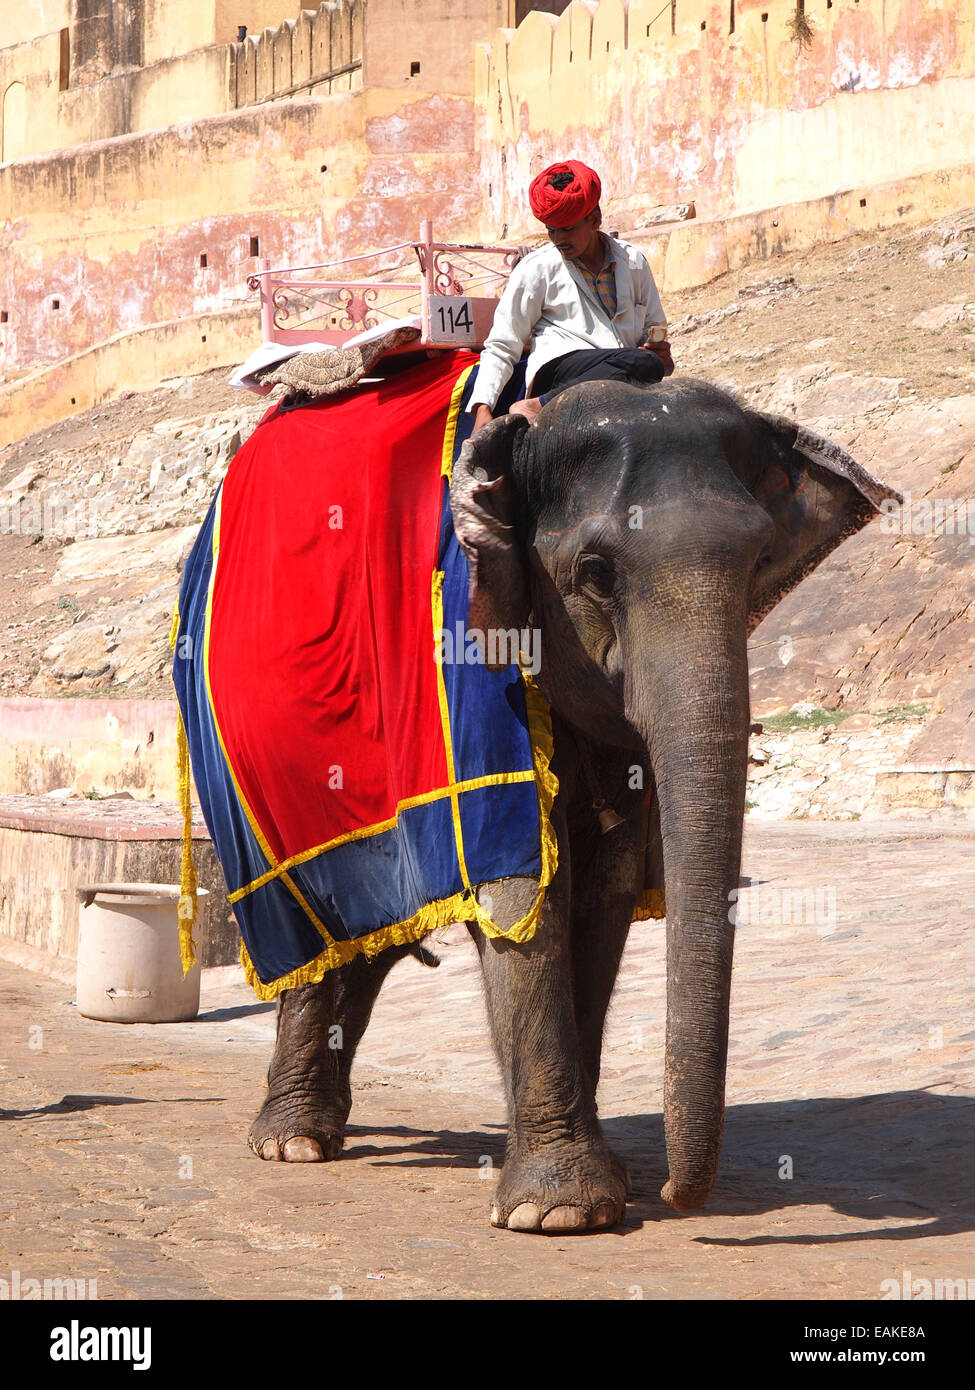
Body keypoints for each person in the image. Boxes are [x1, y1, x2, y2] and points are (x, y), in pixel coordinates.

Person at [469, 160, 674, 434]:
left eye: (568, 229)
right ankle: (539, 405)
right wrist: (483, 406)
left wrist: (662, 356)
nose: (558, 238)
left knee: (649, 365)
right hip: (560, 373)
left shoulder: (633, 262)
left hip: (620, 373)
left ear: (595, 220)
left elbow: (653, 334)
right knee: (641, 363)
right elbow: (503, 345)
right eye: (551, 230)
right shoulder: (536, 269)